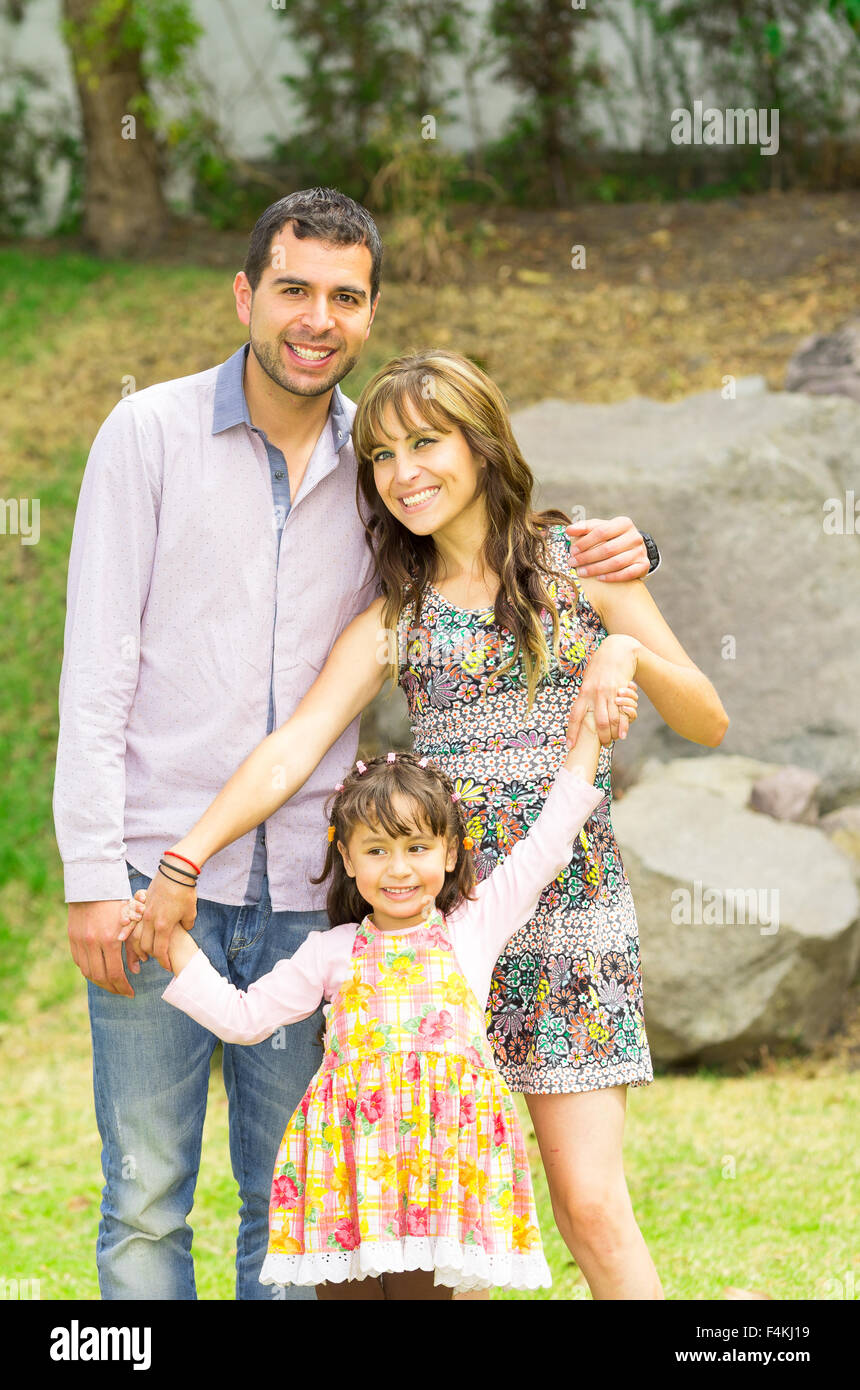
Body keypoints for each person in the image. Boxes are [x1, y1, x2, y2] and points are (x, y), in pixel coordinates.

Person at [53, 185, 662, 1302]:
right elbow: (97, 669)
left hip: (308, 885)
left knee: (295, 1209)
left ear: (369, 313)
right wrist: (99, 873)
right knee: (144, 1194)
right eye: (292, 288)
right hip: (156, 870)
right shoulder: (149, 435)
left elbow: (496, 540)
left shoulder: (386, 464)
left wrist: (629, 562)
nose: (315, 318)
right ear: (246, 294)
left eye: (344, 296)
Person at [134, 347, 729, 1300]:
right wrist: (184, 858)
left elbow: (706, 715)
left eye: (425, 442)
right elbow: (292, 749)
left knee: (589, 1204)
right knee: (444, 1230)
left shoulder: (580, 564)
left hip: (568, 922)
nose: (402, 472)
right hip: (435, 938)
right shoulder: (396, 615)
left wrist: (623, 651)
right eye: (379, 455)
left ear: (483, 443)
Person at [117, 697, 638, 1298]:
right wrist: (174, 945)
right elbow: (242, 1017)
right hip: (347, 1174)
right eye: (377, 850)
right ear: (347, 857)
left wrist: (589, 743)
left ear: (449, 852)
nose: (398, 869)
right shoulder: (329, 951)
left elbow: (547, 844)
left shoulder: (475, 925)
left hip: (439, 1174)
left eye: (417, 848)